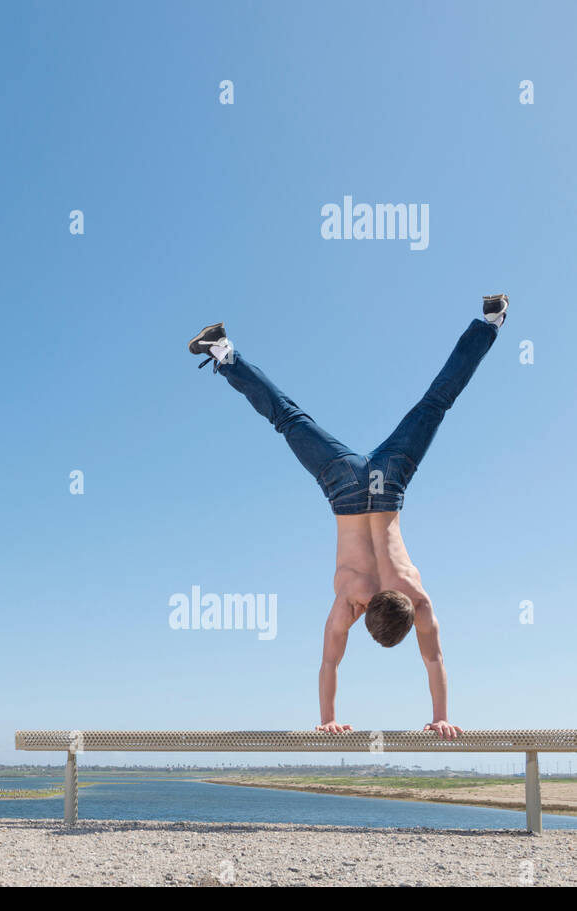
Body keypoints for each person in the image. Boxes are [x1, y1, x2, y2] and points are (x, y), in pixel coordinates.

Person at [188, 295, 509, 738]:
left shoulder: (416, 596)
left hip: (387, 482)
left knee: (436, 402)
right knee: (287, 418)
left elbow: (434, 659)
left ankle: (490, 322)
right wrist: (327, 720)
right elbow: (329, 661)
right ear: (367, 614)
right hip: (345, 487)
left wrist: (441, 716)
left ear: (404, 612)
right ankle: (225, 353)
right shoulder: (350, 600)